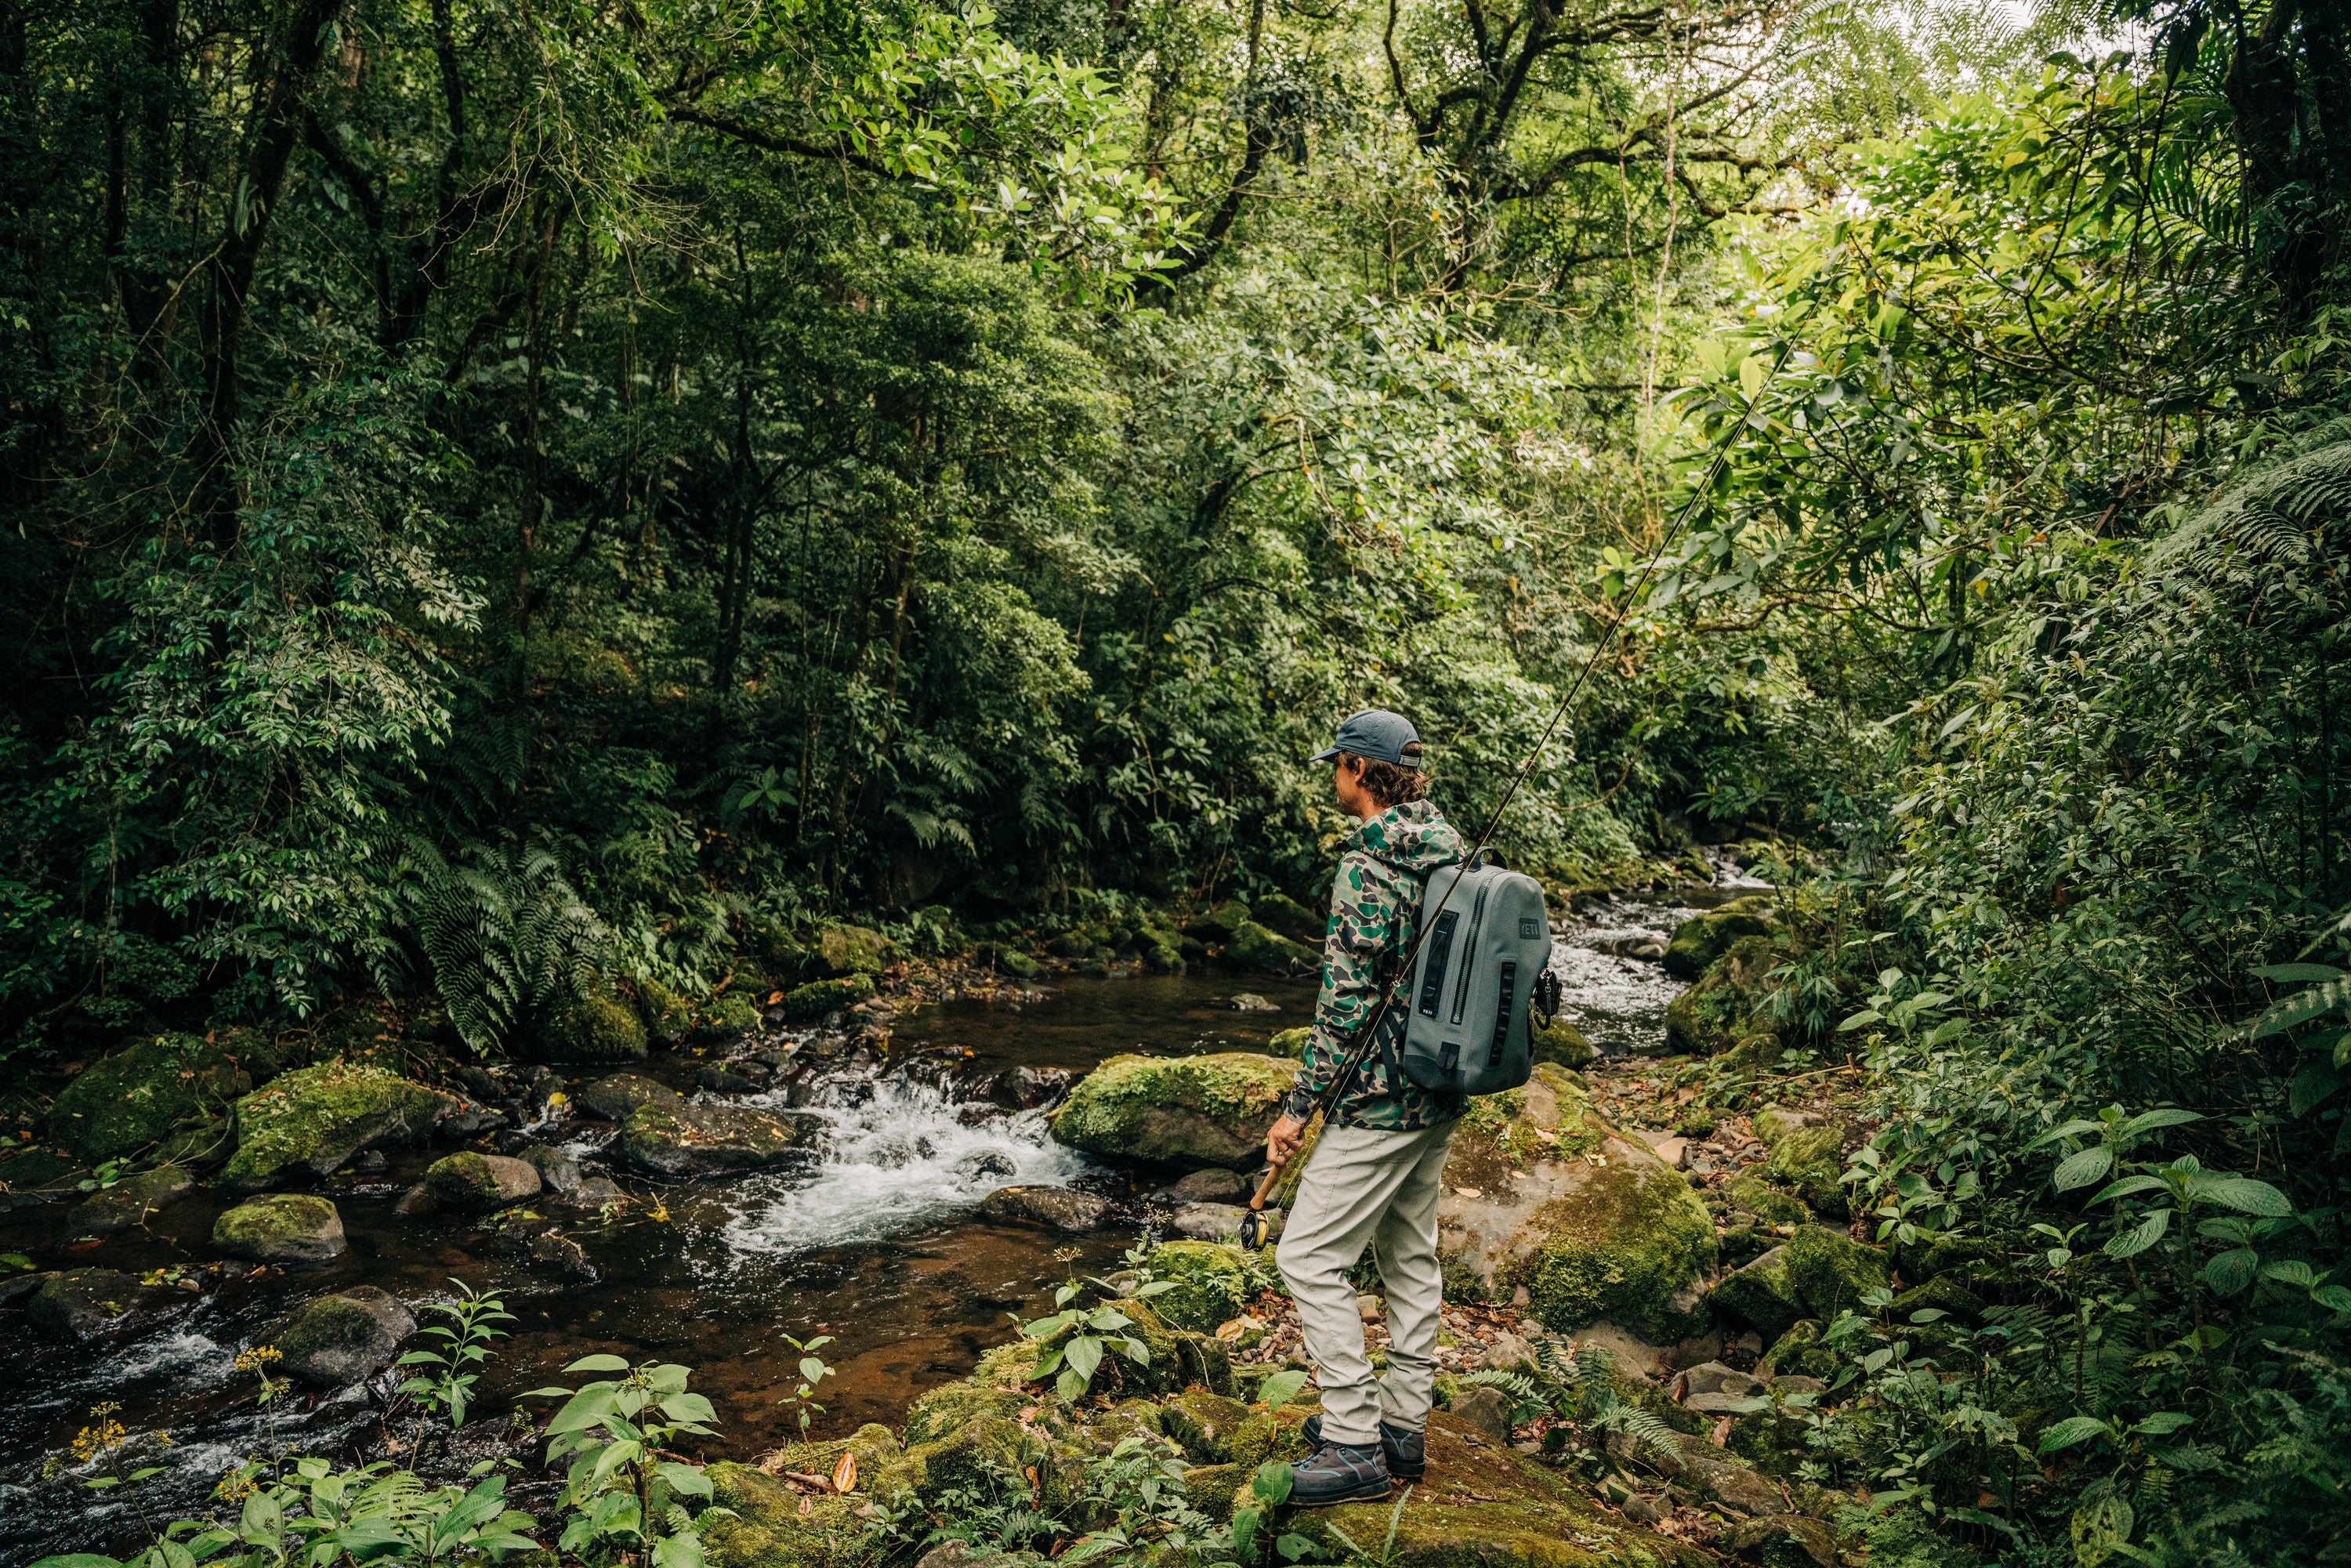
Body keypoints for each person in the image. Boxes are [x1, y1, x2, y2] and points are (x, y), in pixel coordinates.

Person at [1266, 708, 1465, 1505]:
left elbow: (1343, 1005)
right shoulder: (1452, 852)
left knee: (1307, 1256)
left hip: (1383, 1098)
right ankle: (1403, 1429)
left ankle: (1351, 1439)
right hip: (1444, 1089)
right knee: (1409, 1252)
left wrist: (1298, 1108)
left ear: (1358, 770)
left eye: (1337, 765)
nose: (1334, 778)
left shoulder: (1370, 866)